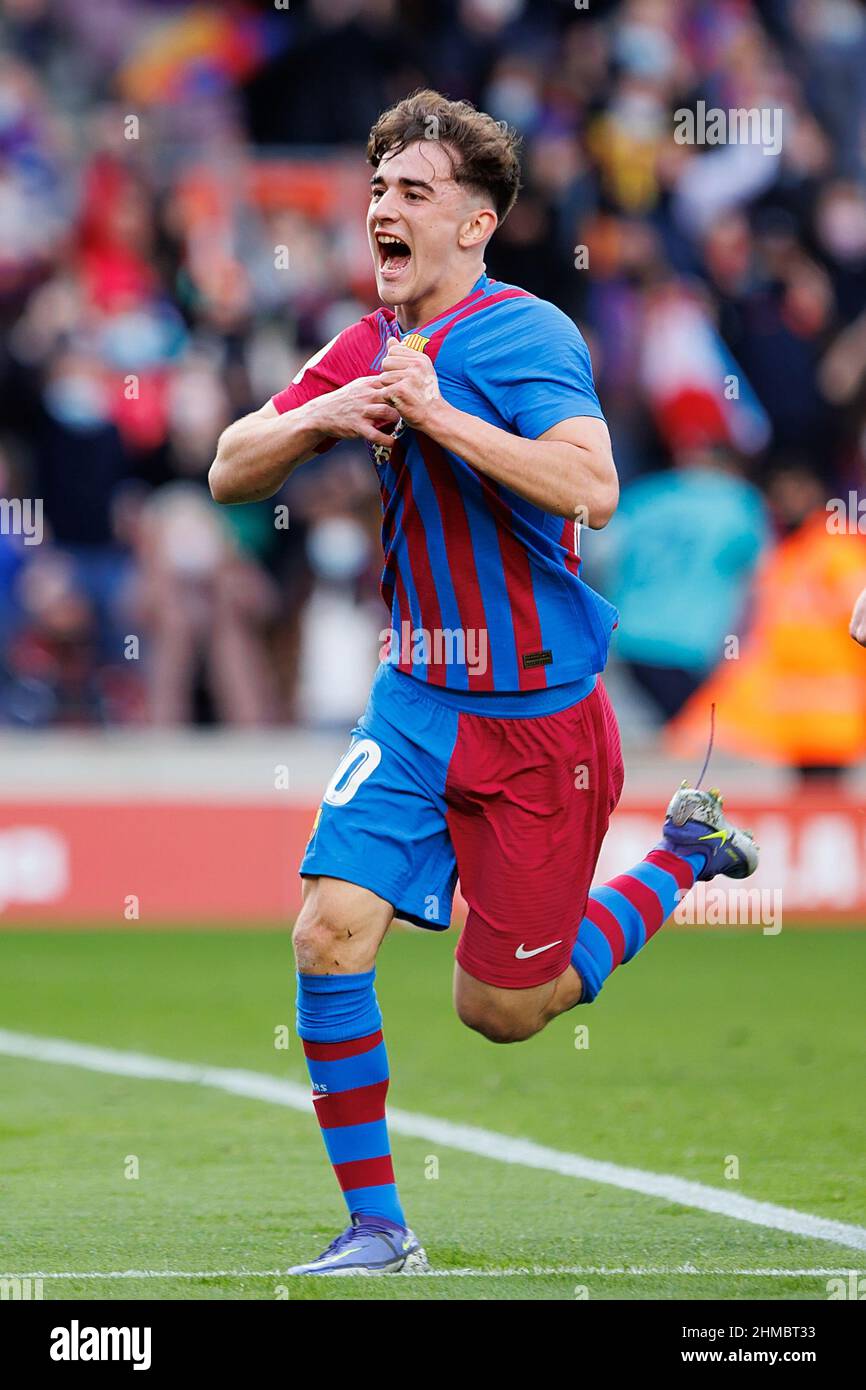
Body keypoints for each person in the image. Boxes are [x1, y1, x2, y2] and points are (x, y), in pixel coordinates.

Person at [209, 91, 758, 1276]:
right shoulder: (362, 346)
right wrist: (328, 417)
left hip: (539, 723)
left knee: (503, 1008)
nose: (381, 212)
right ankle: (377, 1229)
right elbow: (226, 465)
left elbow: (590, 487)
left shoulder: (526, 337)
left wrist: (438, 415)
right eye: (375, 191)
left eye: (411, 192)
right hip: (414, 704)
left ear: (477, 223)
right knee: (326, 933)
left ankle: (681, 856)